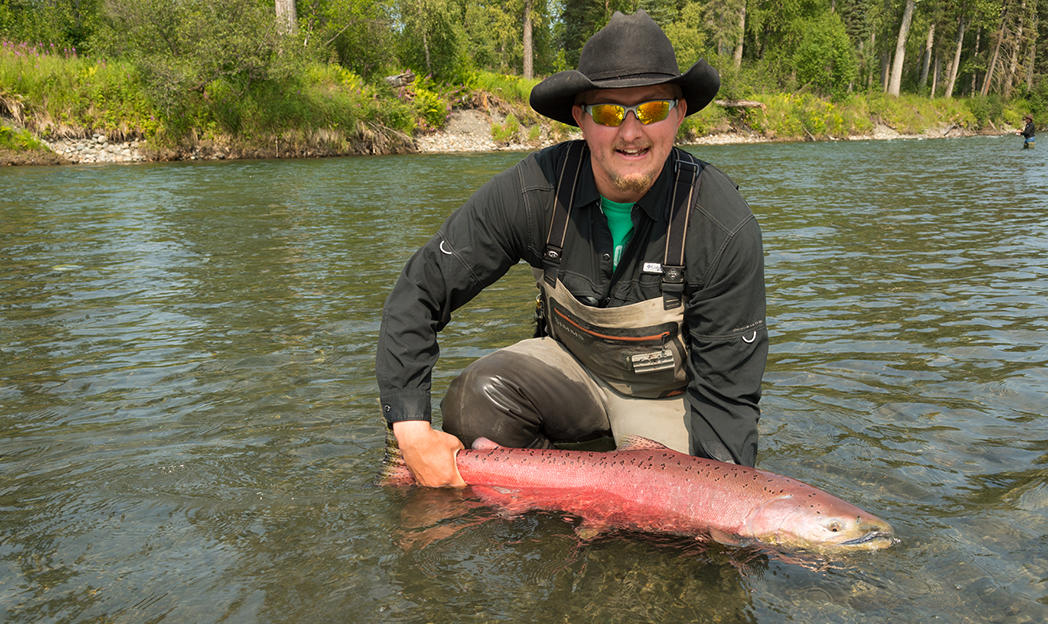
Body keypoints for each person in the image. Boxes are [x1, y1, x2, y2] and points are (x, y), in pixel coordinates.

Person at [376, 10, 768, 487]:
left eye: (651, 109)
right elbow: (422, 286)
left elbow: (727, 401)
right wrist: (412, 430)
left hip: (669, 403)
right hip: (571, 379)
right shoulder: (535, 190)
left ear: (679, 112)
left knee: (679, 525)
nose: (630, 132)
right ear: (580, 118)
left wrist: (722, 513)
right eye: (607, 111)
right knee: (474, 402)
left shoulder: (722, 224)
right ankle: (554, 517)